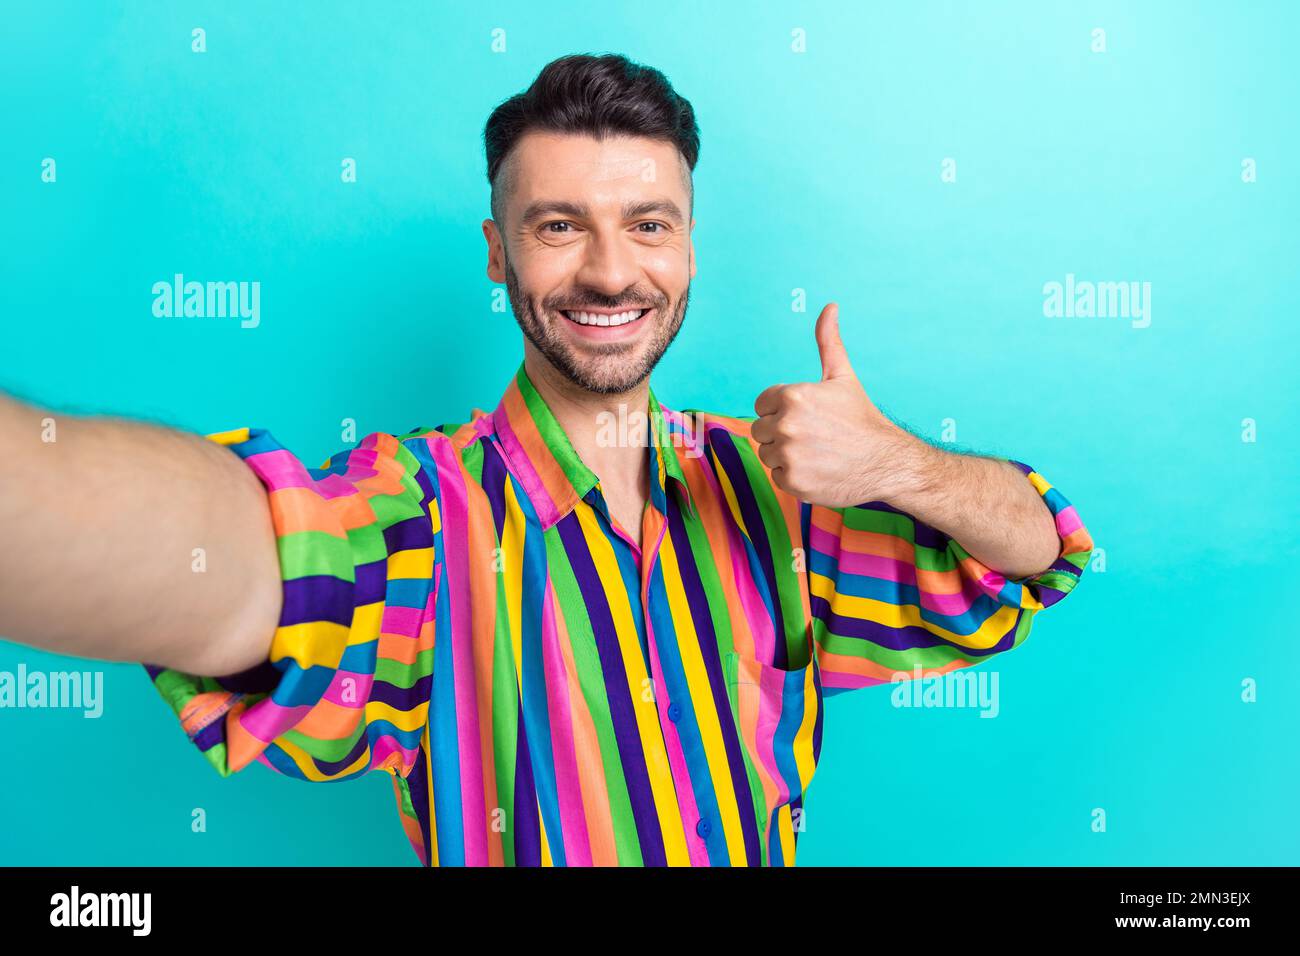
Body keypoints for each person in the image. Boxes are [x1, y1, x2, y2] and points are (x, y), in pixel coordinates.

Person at [0, 53, 1093, 866]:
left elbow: (1035, 555)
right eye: (560, 225)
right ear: (498, 251)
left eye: (649, 225)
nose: (612, 273)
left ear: (691, 244)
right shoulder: (421, 518)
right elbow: (239, 550)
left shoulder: (777, 489)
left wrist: (897, 463)